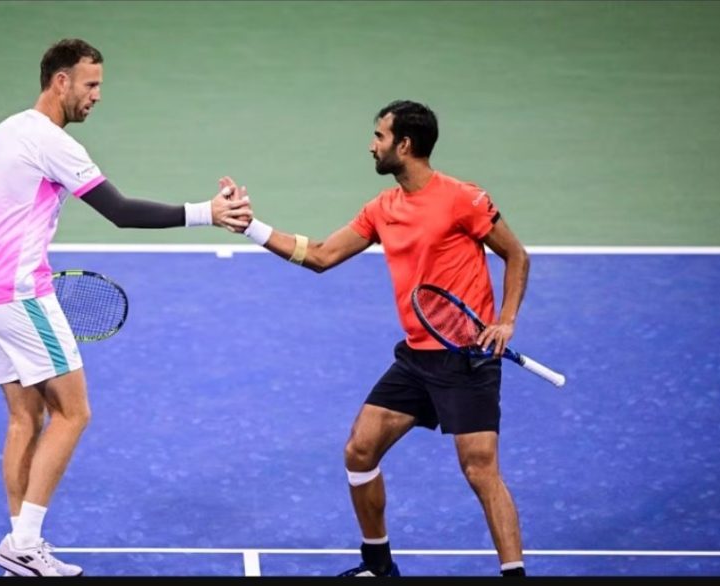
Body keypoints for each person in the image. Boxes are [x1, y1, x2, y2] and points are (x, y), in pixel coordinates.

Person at [0, 38, 251, 577]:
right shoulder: (53, 143)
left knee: (26, 416)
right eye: (91, 85)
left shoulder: (7, 129)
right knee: (74, 412)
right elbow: (118, 211)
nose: (97, 96)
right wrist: (206, 212)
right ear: (60, 81)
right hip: (22, 296)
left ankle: (21, 546)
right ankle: (23, 543)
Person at [225, 100, 530, 577]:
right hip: (416, 358)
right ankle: (379, 567)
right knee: (360, 450)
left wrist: (506, 320)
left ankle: (515, 575)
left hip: (466, 358)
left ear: (404, 145)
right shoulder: (382, 208)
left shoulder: (463, 199)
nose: (372, 144)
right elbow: (322, 255)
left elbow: (516, 255)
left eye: (379, 136)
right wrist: (252, 228)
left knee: (479, 469)